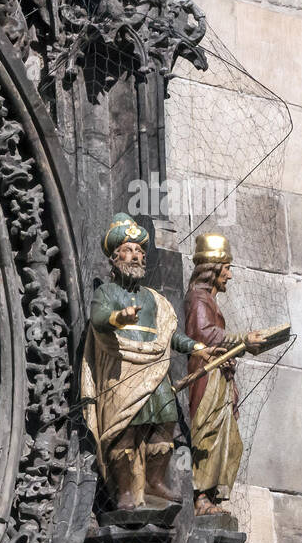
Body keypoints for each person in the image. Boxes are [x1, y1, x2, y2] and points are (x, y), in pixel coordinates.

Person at [81, 216, 222, 509]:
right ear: (114, 256)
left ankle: (155, 480)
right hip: (123, 370)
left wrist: (198, 347)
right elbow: (97, 320)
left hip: (155, 371)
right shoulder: (107, 293)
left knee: (166, 421)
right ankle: (124, 491)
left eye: (140, 252)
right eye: (129, 250)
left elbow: (171, 334)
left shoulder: (154, 299)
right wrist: (120, 318)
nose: (137, 256)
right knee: (125, 428)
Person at [185, 234, 266, 515]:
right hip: (206, 377)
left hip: (221, 377)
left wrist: (245, 344)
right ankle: (201, 497)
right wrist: (243, 339)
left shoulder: (208, 300)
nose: (229, 275)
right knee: (209, 434)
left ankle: (210, 494)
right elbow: (204, 334)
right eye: (226, 268)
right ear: (213, 268)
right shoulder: (198, 299)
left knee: (230, 440)